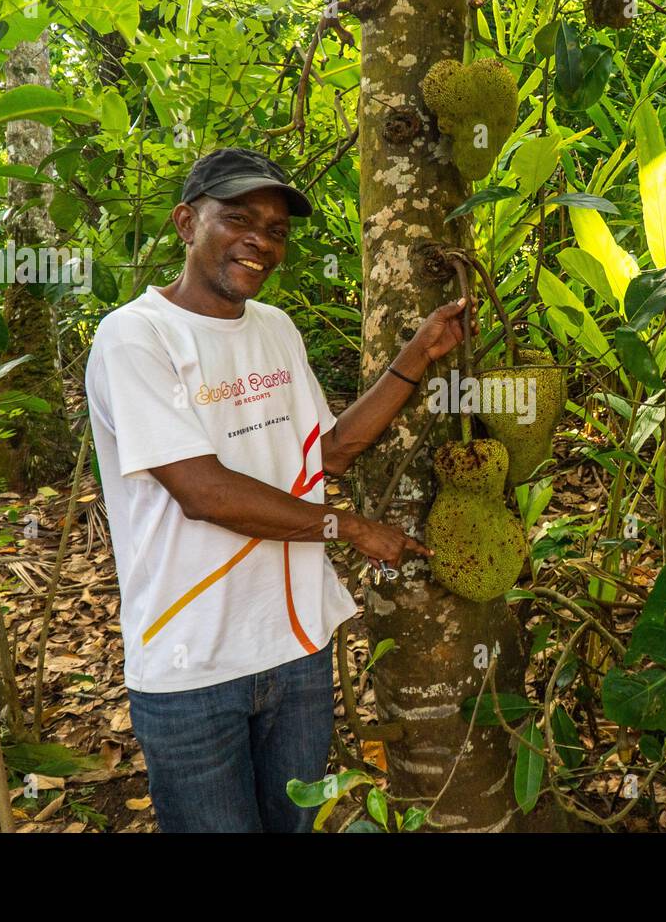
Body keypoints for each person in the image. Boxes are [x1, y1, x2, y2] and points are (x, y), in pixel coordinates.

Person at [84, 147, 473, 832]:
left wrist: (417, 355)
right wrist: (349, 528)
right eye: (238, 219)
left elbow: (328, 453)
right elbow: (204, 492)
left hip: (295, 651)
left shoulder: (276, 330)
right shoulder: (136, 337)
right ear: (185, 222)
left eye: (276, 229)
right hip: (193, 662)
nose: (260, 241)